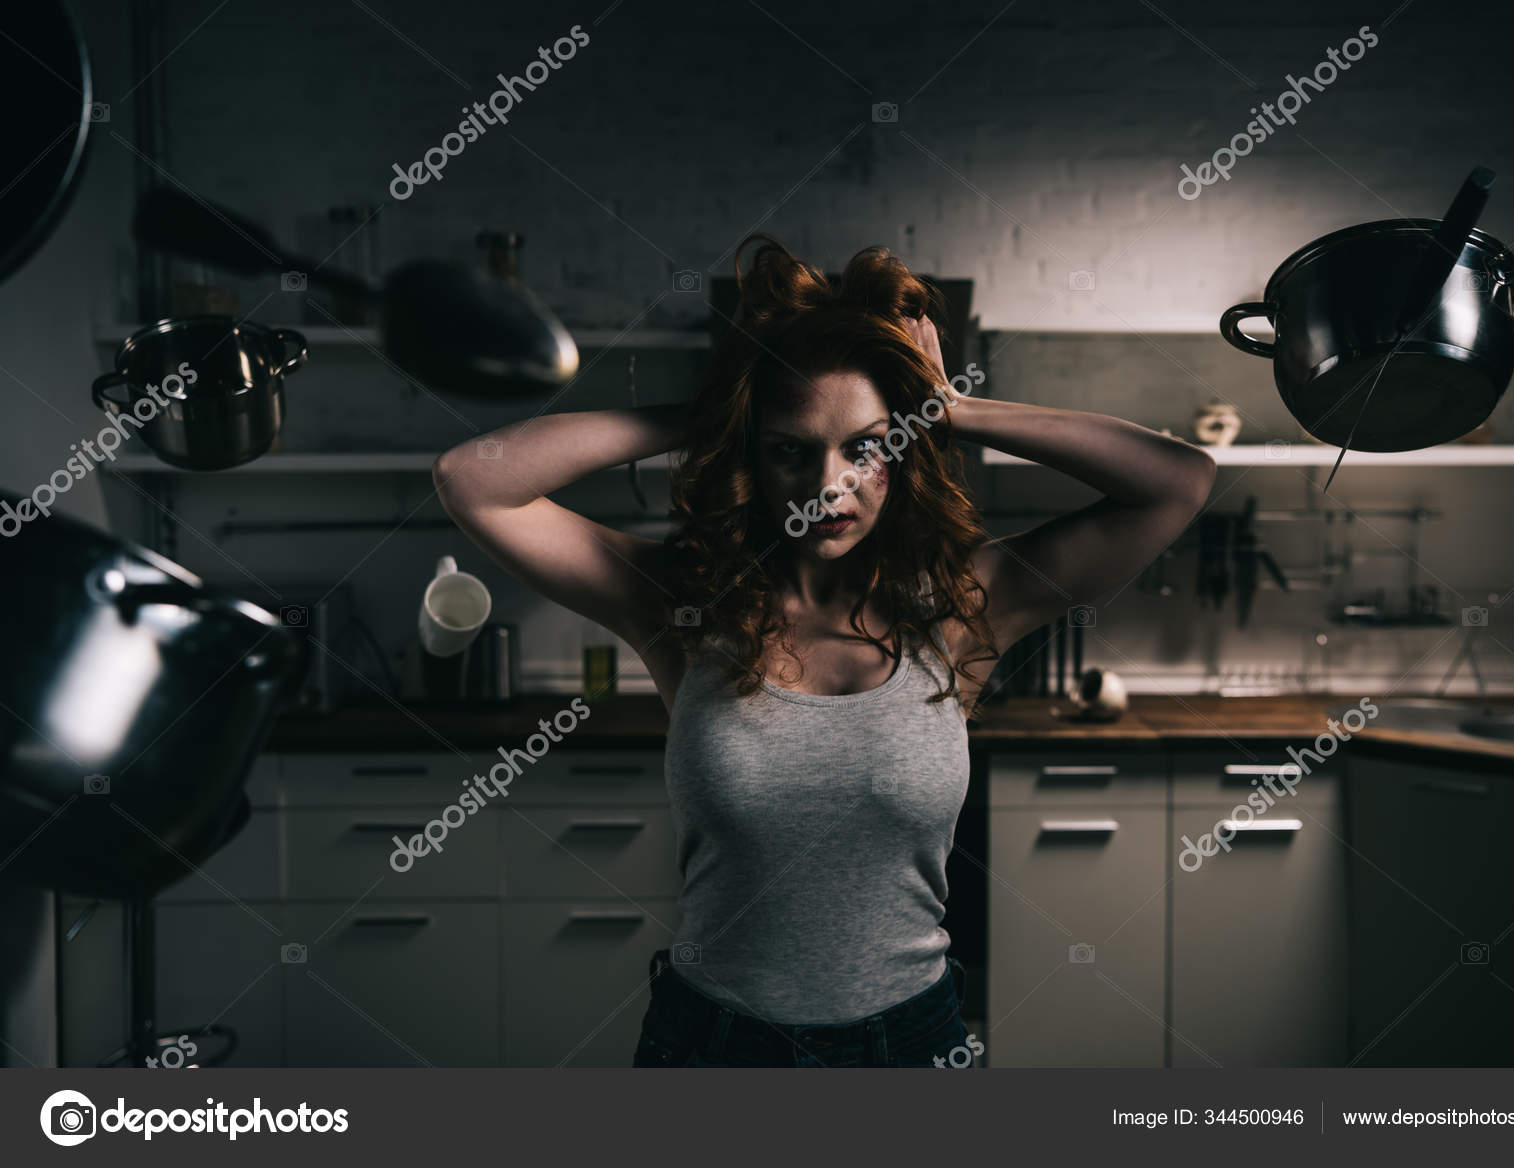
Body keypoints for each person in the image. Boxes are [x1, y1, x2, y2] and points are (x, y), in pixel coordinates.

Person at [433, 234, 1216, 1067]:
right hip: (713, 1049)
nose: (828, 486)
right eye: (791, 451)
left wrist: (951, 407)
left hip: (908, 1049)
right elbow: (472, 479)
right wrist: (714, 413)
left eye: (865, 447)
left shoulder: (960, 609)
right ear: (755, 457)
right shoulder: (682, 605)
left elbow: (1179, 480)